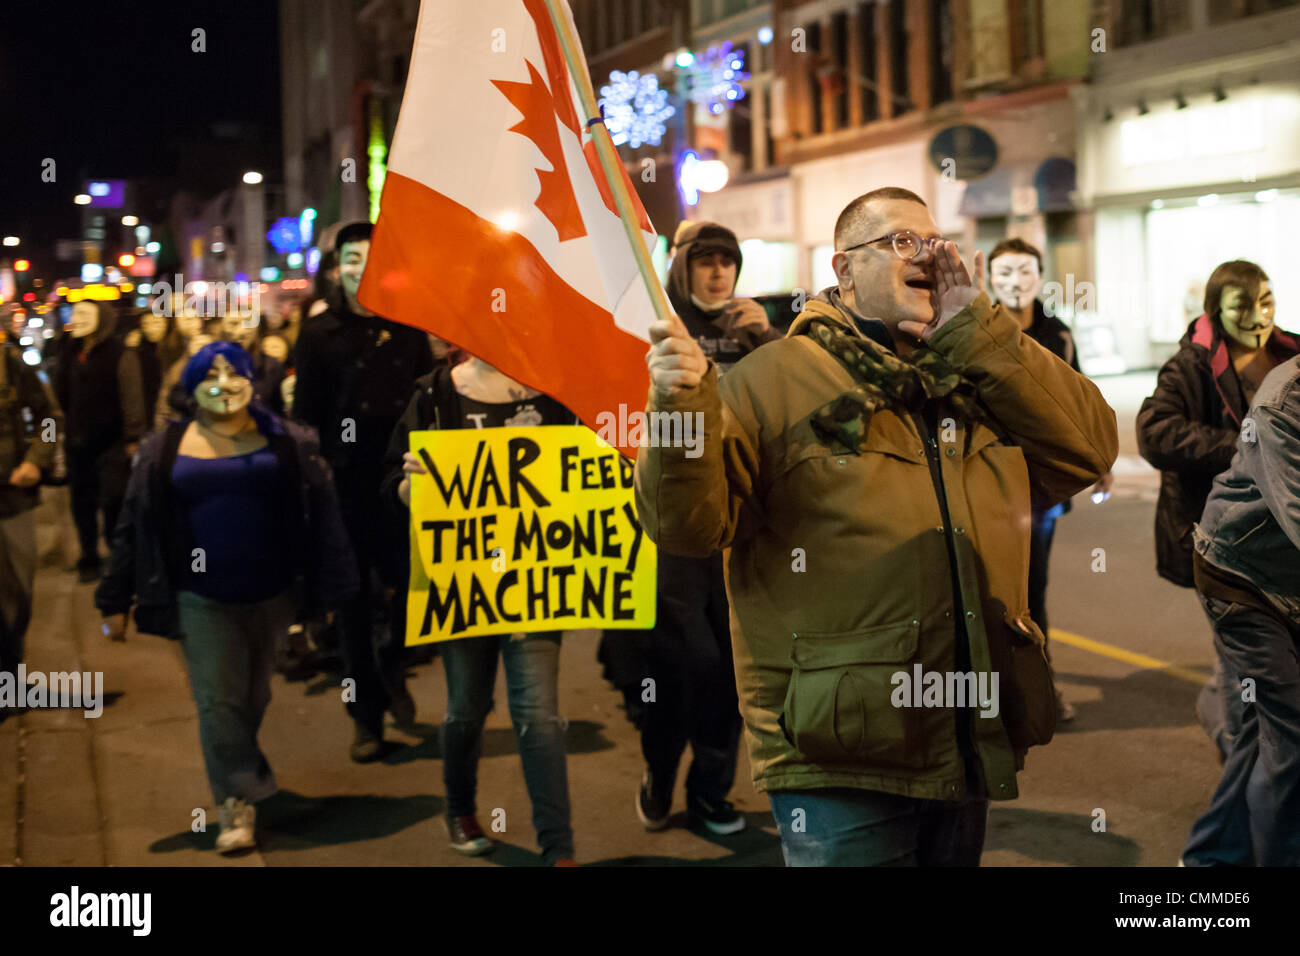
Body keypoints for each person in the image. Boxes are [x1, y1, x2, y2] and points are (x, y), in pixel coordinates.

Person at [636, 187, 1117, 866]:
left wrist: (978, 327)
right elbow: (685, 528)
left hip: (963, 734)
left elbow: (1087, 451)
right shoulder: (767, 380)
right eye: (897, 241)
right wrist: (680, 411)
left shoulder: (972, 369)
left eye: (932, 240)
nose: (923, 252)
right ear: (844, 270)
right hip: (836, 758)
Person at [95, 341, 358, 853]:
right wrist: (114, 597)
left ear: (251, 382)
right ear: (191, 390)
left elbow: (324, 515)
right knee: (218, 702)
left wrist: (334, 585)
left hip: (273, 593)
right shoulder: (163, 449)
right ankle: (234, 806)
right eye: (209, 377)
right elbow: (134, 526)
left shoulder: (289, 440)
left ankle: (249, 780)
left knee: (252, 697)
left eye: (233, 374)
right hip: (201, 597)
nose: (223, 384)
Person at [600, 221, 780, 835]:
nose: (717, 271)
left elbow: (792, 412)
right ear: (681, 268)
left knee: (732, 670)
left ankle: (708, 790)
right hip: (672, 530)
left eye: (727, 261)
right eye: (704, 260)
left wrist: (767, 344)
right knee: (678, 669)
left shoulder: (758, 332)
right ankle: (658, 770)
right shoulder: (655, 328)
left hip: (742, 528)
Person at [381, 355, 578, 865]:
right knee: (467, 708)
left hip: (537, 579)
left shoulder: (552, 384)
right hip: (463, 585)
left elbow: (585, 470)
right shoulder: (434, 394)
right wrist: (413, 484)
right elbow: (391, 485)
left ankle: (558, 847)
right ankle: (461, 808)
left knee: (539, 716)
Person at [1136, 260, 1299, 762]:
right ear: (1216, 309)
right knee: (1240, 672)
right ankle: (1239, 760)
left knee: (1262, 669)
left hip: (1280, 543)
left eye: (1266, 301)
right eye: (1241, 306)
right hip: (1221, 542)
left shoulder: (1289, 355)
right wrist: (1244, 446)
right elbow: (1155, 432)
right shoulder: (1192, 364)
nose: (1258, 315)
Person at [294, 221, 435, 761]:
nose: (362, 267)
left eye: (373, 257)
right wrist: (313, 478)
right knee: (351, 606)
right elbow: (305, 417)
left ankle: (393, 661)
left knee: (415, 590)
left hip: (403, 481)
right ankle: (366, 719)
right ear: (337, 268)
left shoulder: (408, 328)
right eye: (353, 257)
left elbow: (429, 402)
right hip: (342, 487)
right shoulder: (317, 333)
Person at [1181, 355, 1300, 866]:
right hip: (1245, 579)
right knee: (1294, 737)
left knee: (1261, 731)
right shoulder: (1284, 404)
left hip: (1287, 579)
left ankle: (1211, 856)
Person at [987, 238, 1112, 723]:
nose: (1014, 283)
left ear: (1040, 277)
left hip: (1040, 486)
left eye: (1023, 273)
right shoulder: (975, 330)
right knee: (984, 592)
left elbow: (1080, 398)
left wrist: (1099, 459)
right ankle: (989, 695)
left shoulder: (1057, 334)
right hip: (984, 481)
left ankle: (1040, 689)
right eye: (1003, 274)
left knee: (1032, 588)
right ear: (989, 280)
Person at [54, 299, 146, 583]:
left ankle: (120, 562)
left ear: (102, 319)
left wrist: (133, 437)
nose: (77, 319)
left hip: (113, 442)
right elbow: (59, 398)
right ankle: (89, 556)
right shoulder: (68, 351)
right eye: (75, 313)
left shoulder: (120, 353)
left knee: (113, 501)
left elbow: (132, 397)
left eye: (85, 313)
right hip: (77, 442)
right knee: (81, 502)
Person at [0, 339, 59, 717]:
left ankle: (10, 682)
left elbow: (50, 420)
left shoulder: (11, 364)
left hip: (11, 498)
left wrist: (38, 460)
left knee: (17, 598)